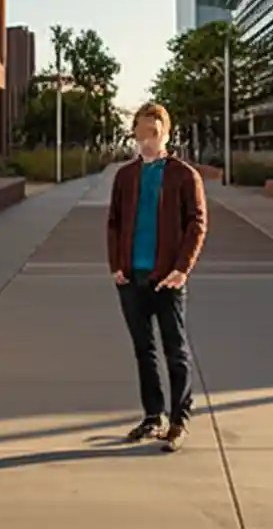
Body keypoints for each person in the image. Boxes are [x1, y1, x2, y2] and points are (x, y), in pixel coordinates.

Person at [106, 102, 208, 453]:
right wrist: (116, 264)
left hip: (168, 279)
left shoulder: (183, 175)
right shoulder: (125, 176)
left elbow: (197, 223)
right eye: (142, 131)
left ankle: (179, 420)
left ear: (166, 133)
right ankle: (153, 417)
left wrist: (182, 269)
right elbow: (114, 222)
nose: (147, 139)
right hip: (132, 277)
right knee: (143, 351)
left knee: (175, 350)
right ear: (134, 132)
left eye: (155, 132)